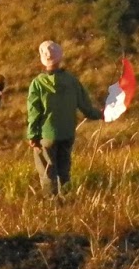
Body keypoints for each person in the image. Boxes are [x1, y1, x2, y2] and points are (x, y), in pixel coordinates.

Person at [26, 40, 102, 197]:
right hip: (67, 133)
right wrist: (101, 114)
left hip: (46, 135)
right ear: (60, 57)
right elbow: (86, 108)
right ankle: (67, 199)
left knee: (48, 172)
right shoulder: (72, 81)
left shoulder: (37, 84)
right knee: (64, 171)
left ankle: (52, 205)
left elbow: (34, 112)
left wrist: (32, 135)